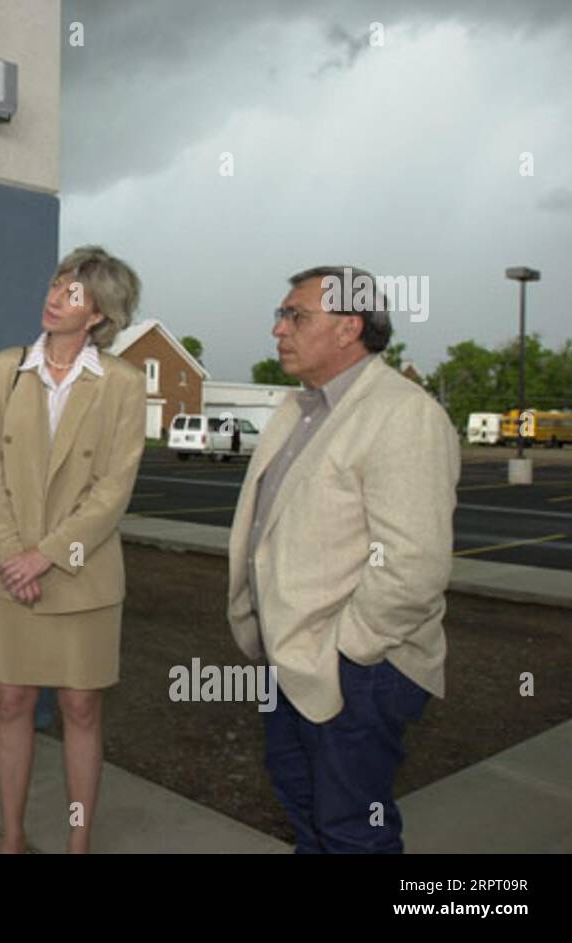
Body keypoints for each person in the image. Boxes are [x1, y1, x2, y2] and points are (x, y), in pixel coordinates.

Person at [227, 265, 459, 853]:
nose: (279, 328)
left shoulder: (403, 413)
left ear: (348, 327)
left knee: (353, 831)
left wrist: (347, 651)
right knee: (307, 811)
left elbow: (414, 563)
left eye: (296, 315)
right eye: (281, 314)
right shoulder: (300, 409)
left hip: (358, 668)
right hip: (290, 658)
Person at [0, 245, 147, 854]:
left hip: (80, 572)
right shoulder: (0, 370)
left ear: (97, 315)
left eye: (73, 292)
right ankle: (12, 838)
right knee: (10, 700)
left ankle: (78, 841)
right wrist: (14, 554)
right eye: (57, 284)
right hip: (3, 568)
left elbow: (115, 486)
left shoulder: (123, 383)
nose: (55, 296)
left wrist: (48, 555)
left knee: (82, 707)